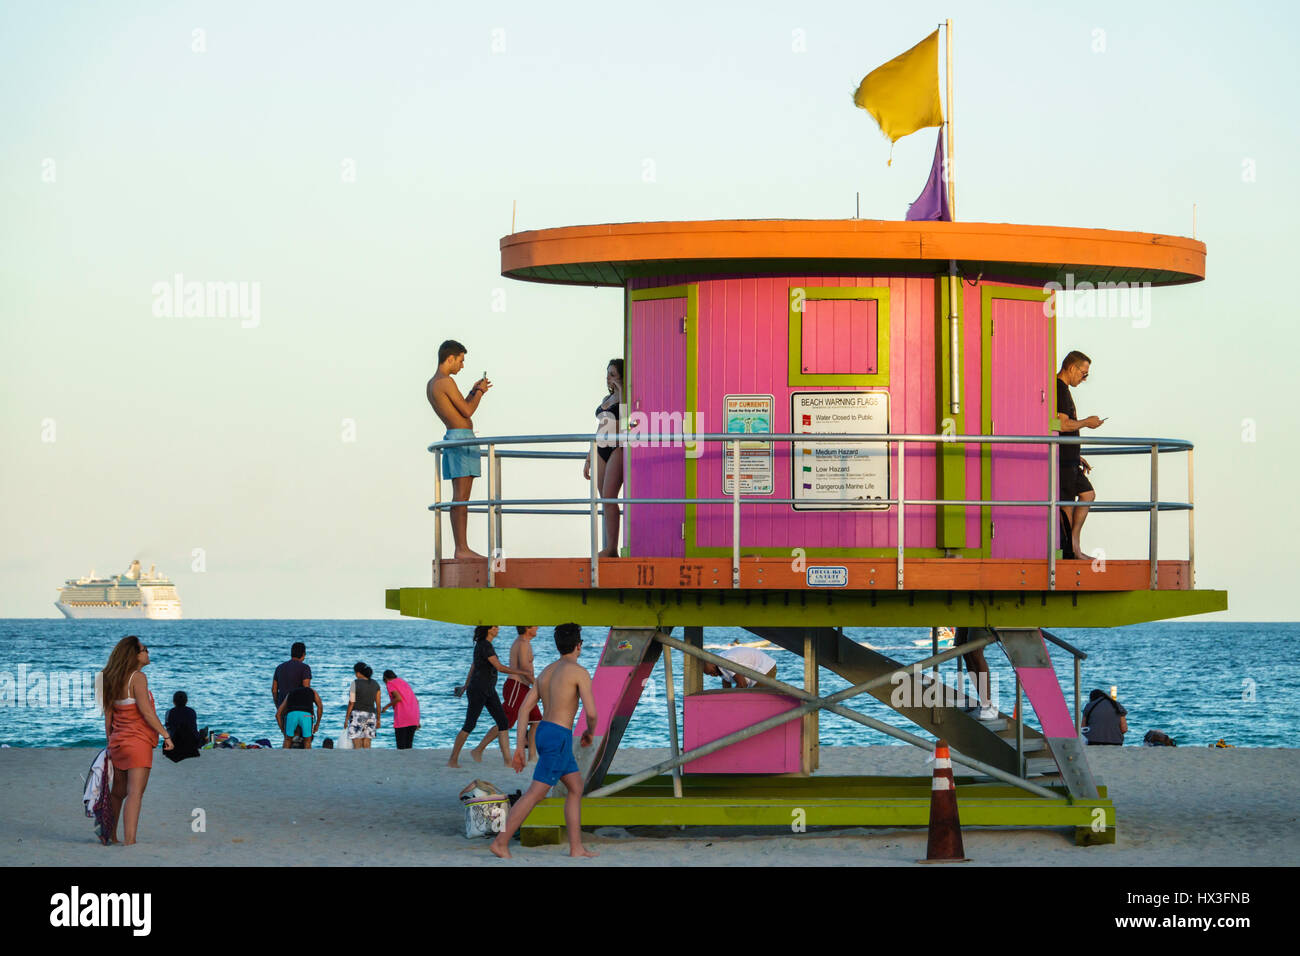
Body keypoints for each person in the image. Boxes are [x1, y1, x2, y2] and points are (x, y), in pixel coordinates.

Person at [489, 623, 598, 859]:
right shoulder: (579, 672)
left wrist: (520, 746)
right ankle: (501, 841)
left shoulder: (546, 672)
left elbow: (523, 710)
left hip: (547, 732)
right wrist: (590, 731)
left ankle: (576, 847)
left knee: (575, 787)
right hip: (559, 736)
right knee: (535, 793)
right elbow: (591, 713)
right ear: (579, 646)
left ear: (559, 646)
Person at [100, 635, 174, 845]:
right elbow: (147, 712)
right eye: (144, 649)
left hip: (118, 742)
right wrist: (166, 735)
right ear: (134, 655)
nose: (148, 652)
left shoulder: (109, 678)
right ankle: (130, 841)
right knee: (135, 794)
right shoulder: (137, 678)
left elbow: (108, 718)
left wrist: (110, 743)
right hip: (138, 743)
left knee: (118, 793)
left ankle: (110, 837)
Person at [427, 339, 492, 560]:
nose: (462, 366)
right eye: (461, 360)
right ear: (451, 358)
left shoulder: (433, 383)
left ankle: (461, 548)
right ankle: (462, 548)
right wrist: (480, 393)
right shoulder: (445, 381)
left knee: (460, 497)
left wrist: (474, 391)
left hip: (454, 437)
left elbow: (459, 409)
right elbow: (466, 411)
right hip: (461, 439)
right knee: (461, 498)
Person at [448, 625, 529, 767]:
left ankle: (507, 761)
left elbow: (474, 666)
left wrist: (466, 685)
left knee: (503, 722)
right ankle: (452, 760)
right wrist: (522, 672)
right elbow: (499, 667)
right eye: (495, 627)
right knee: (470, 724)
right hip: (479, 689)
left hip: (488, 689)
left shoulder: (484, 645)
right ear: (488, 629)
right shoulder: (485, 645)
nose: (498, 629)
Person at [1055, 351, 1103, 559]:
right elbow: (1063, 424)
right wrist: (1087, 422)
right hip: (1063, 459)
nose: (1084, 379)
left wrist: (1077, 454)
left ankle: (1074, 548)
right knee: (1066, 503)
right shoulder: (1060, 390)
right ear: (1072, 368)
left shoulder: (1063, 390)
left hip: (1069, 456)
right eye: (1083, 374)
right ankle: (1069, 551)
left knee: (1087, 494)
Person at [582, 359, 625, 557]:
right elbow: (599, 427)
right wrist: (589, 457)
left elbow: (626, 417)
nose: (609, 378)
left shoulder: (625, 397)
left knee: (609, 496)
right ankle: (609, 547)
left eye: (613, 374)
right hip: (600, 447)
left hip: (617, 447)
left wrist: (622, 389)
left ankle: (612, 548)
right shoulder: (605, 399)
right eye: (608, 374)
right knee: (603, 498)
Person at [501, 626, 544, 762]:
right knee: (505, 722)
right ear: (527, 628)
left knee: (536, 720)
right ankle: (479, 748)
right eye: (535, 625)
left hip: (524, 687)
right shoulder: (523, 643)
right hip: (516, 686)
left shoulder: (525, 643)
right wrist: (539, 686)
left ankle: (532, 756)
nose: (537, 627)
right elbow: (525, 669)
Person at [954, 627, 999, 720]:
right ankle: (984, 703)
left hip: (980, 616)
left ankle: (987, 706)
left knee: (975, 651)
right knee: (964, 650)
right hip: (965, 615)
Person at [277, 677, 323, 748]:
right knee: (307, 740)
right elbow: (320, 706)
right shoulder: (312, 691)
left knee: (288, 739)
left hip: (292, 714)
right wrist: (317, 724)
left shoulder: (290, 693)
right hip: (306, 715)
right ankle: (307, 757)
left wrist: (283, 730)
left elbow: (278, 714)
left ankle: (284, 757)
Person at [344, 663, 381, 749]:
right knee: (367, 743)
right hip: (371, 715)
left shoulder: (355, 683)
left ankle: (358, 761)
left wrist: (346, 719)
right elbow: (378, 704)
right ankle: (367, 761)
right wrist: (378, 719)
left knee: (357, 742)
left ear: (359, 672)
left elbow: (351, 702)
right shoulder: (375, 684)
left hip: (357, 714)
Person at [380, 669, 421, 749]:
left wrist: (386, 707)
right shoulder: (403, 682)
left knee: (401, 746)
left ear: (385, 678)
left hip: (402, 717)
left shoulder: (390, 683)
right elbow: (416, 701)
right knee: (409, 746)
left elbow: (398, 698)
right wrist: (417, 720)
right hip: (413, 716)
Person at [701, 646, 778, 688]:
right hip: (760, 670)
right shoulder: (719, 665)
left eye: (711, 672)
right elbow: (726, 686)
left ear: (709, 662)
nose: (712, 675)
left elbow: (742, 685)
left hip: (765, 668)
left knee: (756, 701)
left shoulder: (725, 661)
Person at [163, 690, 208, 761]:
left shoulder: (169, 712)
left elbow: (169, 729)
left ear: (174, 702)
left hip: (174, 744)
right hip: (191, 744)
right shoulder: (191, 711)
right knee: (202, 732)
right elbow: (193, 729)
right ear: (186, 701)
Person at [271, 642, 311, 713]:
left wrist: (278, 706)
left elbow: (274, 690)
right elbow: (306, 689)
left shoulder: (279, 667)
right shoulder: (305, 668)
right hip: (299, 708)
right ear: (303, 654)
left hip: (283, 707)